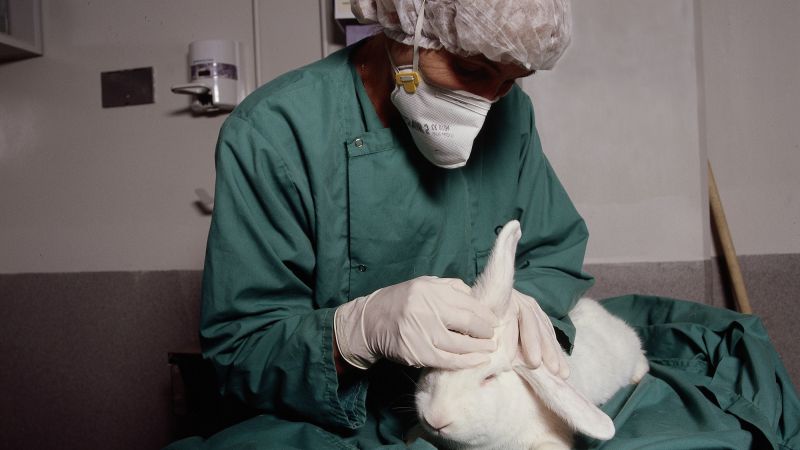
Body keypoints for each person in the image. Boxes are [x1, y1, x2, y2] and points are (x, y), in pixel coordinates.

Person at [167, 0, 800, 449]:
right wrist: (355, 332)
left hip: (483, 401)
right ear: (404, 24)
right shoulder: (275, 134)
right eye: (472, 71)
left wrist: (529, 302)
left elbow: (552, 248)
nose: (492, 100)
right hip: (336, 414)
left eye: (512, 78)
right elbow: (239, 351)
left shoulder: (509, 113)